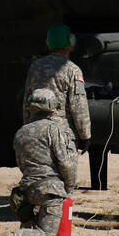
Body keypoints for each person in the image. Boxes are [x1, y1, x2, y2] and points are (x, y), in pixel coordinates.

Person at [9, 88, 77, 236]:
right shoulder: (53, 130)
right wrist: (70, 186)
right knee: (46, 235)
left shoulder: (21, 132)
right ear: (52, 107)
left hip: (26, 191)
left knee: (30, 231)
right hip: (50, 192)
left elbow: (21, 164)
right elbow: (66, 163)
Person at [22, 24, 91, 153]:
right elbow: (78, 106)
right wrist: (85, 135)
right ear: (70, 42)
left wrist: (27, 127)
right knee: (65, 173)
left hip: (36, 132)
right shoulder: (72, 69)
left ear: (48, 43)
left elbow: (27, 101)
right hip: (62, 136)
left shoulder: (35, 66)